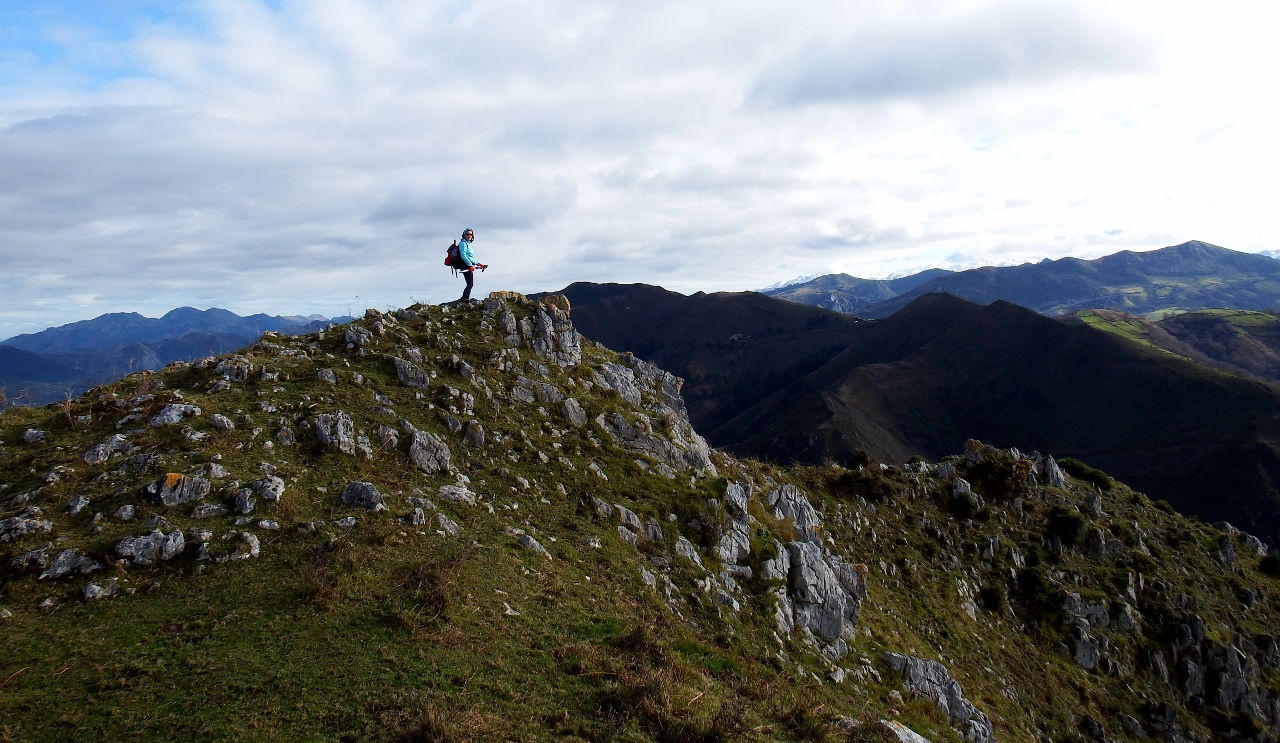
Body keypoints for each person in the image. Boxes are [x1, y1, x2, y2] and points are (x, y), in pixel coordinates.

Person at [455, 228, 483, 303]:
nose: (469, 235)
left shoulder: (468, 244)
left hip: (467, 264)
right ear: (464, 235)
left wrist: (477, 263)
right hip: (465, 265)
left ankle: (464, 298)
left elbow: (470, 257)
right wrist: (470, 265)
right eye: (467, 234)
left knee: (470, 283)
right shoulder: (463, 244)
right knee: (470, 284)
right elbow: (463, 255)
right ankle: (465, 299)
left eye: (471, 234)